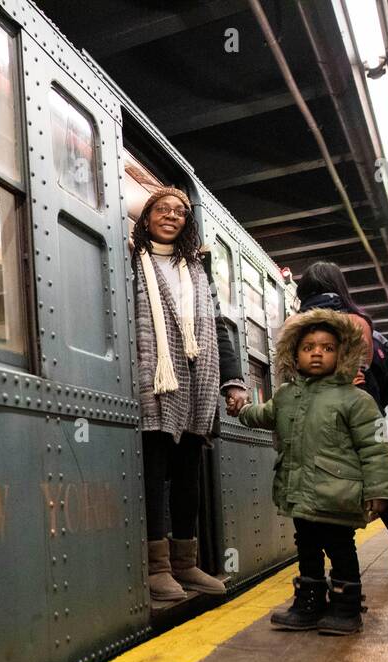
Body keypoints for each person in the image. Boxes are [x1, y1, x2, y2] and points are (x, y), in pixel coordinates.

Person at [238, 309, 388, 634]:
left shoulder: (357, 400)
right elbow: (262, 414)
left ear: (343, 353)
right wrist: (241, 409)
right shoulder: (286, 396)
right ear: (294, 354)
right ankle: (309, 603)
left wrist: (379, 491)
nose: (317, 353)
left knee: (340, 548)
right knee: (306, 546)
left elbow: (376, 447)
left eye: (327, 347)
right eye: (309, 348)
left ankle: (347, 607)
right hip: (299, 493)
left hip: (339, 497)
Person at [133, 187, 244, 601]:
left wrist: (232, 379)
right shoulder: (132, 261)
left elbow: (216, 325)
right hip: (155, 378)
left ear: (186, 222)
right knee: (153, 473)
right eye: (162, 209)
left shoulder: (199, 270)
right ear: (147, 219)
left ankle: (186, 564)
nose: (171, 216)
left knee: (187, 477)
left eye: (179, 211)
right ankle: (157, 568)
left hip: (197, 382)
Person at [295, 261, 388, 579]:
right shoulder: (366, 327)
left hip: (332, 419)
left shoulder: (304, 325)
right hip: (372, 415)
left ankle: (337, 576)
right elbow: (384, 382)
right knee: (383, 485)